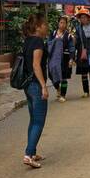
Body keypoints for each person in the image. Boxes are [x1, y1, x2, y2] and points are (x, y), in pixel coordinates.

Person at [20, 13, 49, 169]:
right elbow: (36, 65)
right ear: (38, 27)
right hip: (36, 85)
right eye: (44, 24)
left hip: (28, 85)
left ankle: (32, 152)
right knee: (39, 121)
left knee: (33, 120)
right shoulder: (37, 41)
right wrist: (43, 86)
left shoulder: (27, 41)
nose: (47, 27)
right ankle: (28, 154)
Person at [46, 16, 75, 102]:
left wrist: (71, 58)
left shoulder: (68, 36)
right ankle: (57, 88)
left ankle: (63, 95)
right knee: (52, 76)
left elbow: (72, 48)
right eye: (61, 22)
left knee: (64, 77)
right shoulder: (53, 34)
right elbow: (48, 44)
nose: (62, 25)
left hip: (64, 59)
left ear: (66, 24)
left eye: (64, 23)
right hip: (53, 59)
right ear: (58, 23)